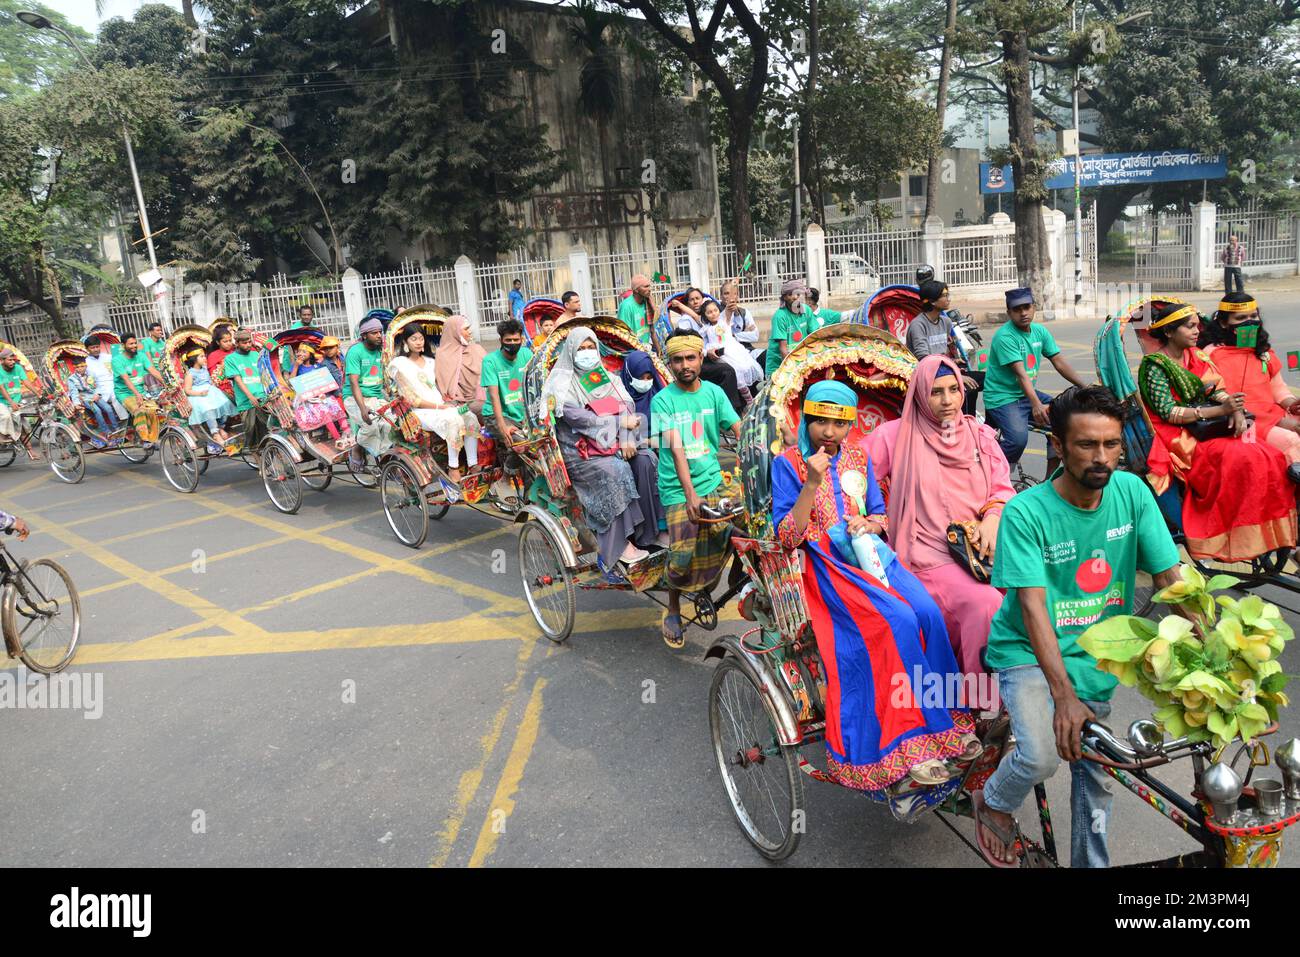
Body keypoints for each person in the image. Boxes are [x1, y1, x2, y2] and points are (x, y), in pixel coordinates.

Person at [973, 386, 1183, 869]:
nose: (1102, 458)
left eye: (1111, 445)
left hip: (1097, 650)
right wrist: (1062, 695)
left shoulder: (1131, 492)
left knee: (1099, 767)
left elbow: (1172, 579)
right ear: (1059, 446)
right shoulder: (1027, 513)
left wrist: (1220, 658)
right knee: (1042, 757)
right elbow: (1032, 609)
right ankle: (994, 799)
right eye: (1087, 445)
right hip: (1028, 648)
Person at [772, 377, 980, 789]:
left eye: (840, 424)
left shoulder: (857, 458)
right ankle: (911, 740)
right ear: (807, 420)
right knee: (898, 620)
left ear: (851, 425)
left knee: (927, 614)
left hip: (872, 556)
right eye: (820, 423)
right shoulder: (788, 463)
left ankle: (945, 721)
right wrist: (811, 484)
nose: (829, 433)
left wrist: (868, 522)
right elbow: (786, 537)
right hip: (827, 565)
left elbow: (882, 515)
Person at [867, 355, 1013, 702]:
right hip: (928, 555)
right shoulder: (894, 436)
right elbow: (852, 477)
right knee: (985, 604)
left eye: (953, 390)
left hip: (985, 549)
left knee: (1039, 597)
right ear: (919, 395)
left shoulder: (979, 435)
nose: (947, 401)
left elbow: (1002, 488)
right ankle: (982, 702)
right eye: (936, 392)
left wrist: (992, 518)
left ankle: (1021, 693)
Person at [1138, 300, 1297, 560]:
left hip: (1206, 426)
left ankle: (1259, 528)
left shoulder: (1197, 355)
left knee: (1267, 456)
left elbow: (1216, 390)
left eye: (1197, 326)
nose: (1196, 331)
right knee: (1239, 458)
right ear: (1168, 332)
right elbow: (1168, 412)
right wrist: (1216, 412)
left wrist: (1233, 409)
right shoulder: (1154, 365)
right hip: (1174, 433)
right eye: (1189, 327)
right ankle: (1225, 526)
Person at [543, 328, 666, 567]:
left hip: (616, 443)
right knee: (616, 470)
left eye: (591, 348)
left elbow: (627, 405)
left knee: (647, 460)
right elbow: (580, 419)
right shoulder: (561, 384)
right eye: (582, 349)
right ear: (572, 351)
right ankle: (620, 543)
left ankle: (650, 532)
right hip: (581, 453)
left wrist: (629, 436)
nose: (588, 354)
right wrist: (621, 424)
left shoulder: (606, 376)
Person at [650, 331, 742, 648]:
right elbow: (676, 447)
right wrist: (690, 494)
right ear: (670, 364)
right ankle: (673, 608)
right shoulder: (663, 400)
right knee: (681, 555)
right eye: (678, 360)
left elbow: (738, 427)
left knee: (755, 520)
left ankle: (739, 570)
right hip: (678, 487)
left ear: (701, 359)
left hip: (714, 478)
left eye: (691, 358)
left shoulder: (714, 393)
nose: (685, 365)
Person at [983, 287, 1086, 465]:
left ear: (1034, 307)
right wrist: (1036, 404)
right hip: (1002, 397)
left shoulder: (1040, 332)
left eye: (1026, 307)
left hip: (1026, 394)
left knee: (1061, 423)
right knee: (1017, 441)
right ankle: (990, 472)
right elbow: (1021, 375)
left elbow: (1059, 362)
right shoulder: (1004, 337)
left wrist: (1085, 387)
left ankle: (1050, 482)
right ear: (1009, 313)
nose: (1023, 313)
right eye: (1017, 309)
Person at [1201, 292, 1300, 464]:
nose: (1250, 322)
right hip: (1242, 419)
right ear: (1224, 323)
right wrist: (1279, 423)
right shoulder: (1211, 354)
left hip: (1274, 414)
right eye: (1241, 318)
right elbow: (1214, 395)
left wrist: (1292, 403)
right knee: (1291, 440)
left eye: (1253, 316)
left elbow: (1279, 390)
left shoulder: (1264, 351)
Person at [390, 324, 478, 488]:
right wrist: (440, 408)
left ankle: (473, 464)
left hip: (443, 407)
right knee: (453, 420)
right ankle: (453, 467)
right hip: (418, 412)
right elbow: (411, 398)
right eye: (413, 339)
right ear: (405, 342)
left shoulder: (432, 361)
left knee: (470, 417)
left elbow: (444, 387)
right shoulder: (398, 364)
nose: (418, 342)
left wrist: (451, 402)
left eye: (421, 338)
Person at [906, 280, 982, 416]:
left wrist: (953, 362)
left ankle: (990, 426)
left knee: (992, 380)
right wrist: (957, 375)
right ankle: (966, 425)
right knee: (968, 388)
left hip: (946, 369)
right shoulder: (918, 325)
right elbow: (924, 358)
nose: (948, 299)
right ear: (933, 301)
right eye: (944, 295)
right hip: (928, 374)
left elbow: (945, 350)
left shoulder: (945, 322)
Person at [667, 288, 743, 415]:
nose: (695, 302)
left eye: (698, 298)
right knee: (727, 370)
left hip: (716, 353)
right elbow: (688, 346)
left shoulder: (708, 316)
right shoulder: (686, 321)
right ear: (687, 303)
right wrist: (708, 352)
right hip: (696, 359)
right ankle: (728, 412)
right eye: (692, 300)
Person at [344, 316, 393, 466]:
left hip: (377, 396)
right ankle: (357, 447)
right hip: (354, 397)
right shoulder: (355, 351)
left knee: (391, 425)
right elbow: (353, 383)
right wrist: (363, 408)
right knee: (371, 426)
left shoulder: (383, 350)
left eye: (380, 332)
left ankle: (385, 459)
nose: (379, 335)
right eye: (374, 333)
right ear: (364, 335)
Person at [700, 298, 761, 403]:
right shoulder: (706, 329)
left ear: (719, 310)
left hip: (733, 350)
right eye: (709, 312)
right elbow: (702, 344)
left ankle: (751, 398)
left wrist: (732, 297)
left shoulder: (724, 320)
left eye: (715, 310)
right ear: (705, 315)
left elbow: (728, 309)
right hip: (722, 354)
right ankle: (749, 401)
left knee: (744, 368)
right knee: (736, 374)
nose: (713, 314)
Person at [222, 328, 270, 450]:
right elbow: (238, 380)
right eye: (244, 342)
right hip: (247, 401)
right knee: (252, 435)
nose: (248, 345)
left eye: (249, 342)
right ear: (237, 343)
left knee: (269, 431)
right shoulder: (230, 359)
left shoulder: (256, 354)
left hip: (263, 397)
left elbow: (264, 374)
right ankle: (259, 464)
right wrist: (250, 397)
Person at [112, 332, 163, 445]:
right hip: (125, 393)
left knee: (154, 410)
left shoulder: (141, 355)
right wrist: (137, 394)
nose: (134, 346)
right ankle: (145, 440)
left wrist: (167, 384)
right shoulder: (117, 360)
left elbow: (153, 371)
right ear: (123, 345)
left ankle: (152, 438)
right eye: (131, 344)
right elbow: (126, 379)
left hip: (141, 391)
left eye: (135, 343)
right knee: (139, 410)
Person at [182, 348, 237, 449]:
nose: (204, 358)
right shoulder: (190, 373)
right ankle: (215, 433)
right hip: (198, 396)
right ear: (194, 359)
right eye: (201, 356)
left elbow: (209, 381)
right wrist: (199, 393)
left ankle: (221, 427)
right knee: (209, 410)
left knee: (225, 404)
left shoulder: (204, 369)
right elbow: (187, 390)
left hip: (210, 392)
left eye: (204, 356)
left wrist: (213, 384)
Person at [66, 356, 120, 445]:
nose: (80, 369)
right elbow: (73, 392)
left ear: (86, 366)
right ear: (75, 368)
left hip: (95, 395)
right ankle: (107, 431)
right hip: (84, 398)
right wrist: (76, 403)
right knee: (97, 410)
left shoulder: (91, 373)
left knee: (108, 408)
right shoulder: (72, 379)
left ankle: (116, 428)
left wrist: (97, 394)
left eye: (82, 366)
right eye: (77, 367)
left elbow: (98, 384)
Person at [765, 278, 811, 378]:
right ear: (784, 297)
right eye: (790, 294)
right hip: (779, 366)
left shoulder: (807, 310)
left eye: (798, 294)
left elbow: (815, 335)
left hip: (800, 362)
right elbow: (783, 349)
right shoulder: (780, 316)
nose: (795, 297)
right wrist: (793, 372)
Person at [619, 349, 664, 432]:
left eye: (649, 377)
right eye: (640, 378)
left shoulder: (660, 394)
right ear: (629, 375)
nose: (645, 382)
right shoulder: (619, 396)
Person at [83, 335, 127, 421]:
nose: (95, 349)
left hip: (115, 384)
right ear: (87, 349)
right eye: (92, 348)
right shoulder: (85, 363)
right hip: (99, 389)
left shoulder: (108, 357)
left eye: (97, 347)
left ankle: (126, 419)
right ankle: (124, 420)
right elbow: (87, 380)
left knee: (119, 395)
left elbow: (118, 370)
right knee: (113, 397)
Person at [0, 347, 38, 443]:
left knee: (22, 424)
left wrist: (39, 394)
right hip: (2, 401)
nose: (12, 362)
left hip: (15, 401)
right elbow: (2, 388)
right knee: (6, 416)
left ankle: (29, 451)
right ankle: (2, 436)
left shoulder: (18, 368)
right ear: (2, 360)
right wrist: (11, 402)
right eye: (10, 360)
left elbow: (26, 382)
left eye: (14, 360)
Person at [718, 280, 758, 355]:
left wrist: (734, 336)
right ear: (721, 296)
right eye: (726, 293)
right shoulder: (715, 312)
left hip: (747, 350)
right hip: (727, 353)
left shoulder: (744, 312)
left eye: (733, 294)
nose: (730, 297)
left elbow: (755, 336)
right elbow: (720, 336)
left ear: (737, 296)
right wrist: (744, 333)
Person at [617, 273, 654, 346]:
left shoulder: (647, 301)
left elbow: (653, 329)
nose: (649, 289)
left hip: (646, 347)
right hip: (633, 349)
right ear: (636, 290)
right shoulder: (626, 306)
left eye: (649, 286)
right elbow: (624, 334)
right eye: (646, 287)